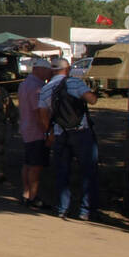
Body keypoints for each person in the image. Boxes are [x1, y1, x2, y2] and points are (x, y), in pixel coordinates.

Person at [39, 57, 99, 221]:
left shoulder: (46, 89)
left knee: (62, 172)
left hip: (60, 133)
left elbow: (43, 115)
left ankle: (62, 208)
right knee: (88, 171)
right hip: (81, 132)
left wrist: (49, 133)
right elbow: (92, 100)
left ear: (53, 70)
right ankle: (85, 210)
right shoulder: (75, 83)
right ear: (68, 69)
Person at [17, 59, 54, 208]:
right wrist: (47, 132)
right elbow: (39, 112)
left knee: (28, 163)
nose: (50, 73)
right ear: (40, 70)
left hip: (26, 128)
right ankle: (33, 197)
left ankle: (26, 193)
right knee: (36, 166)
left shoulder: (24, 84)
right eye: (48, 71)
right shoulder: (37, 87)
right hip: (36, 131)